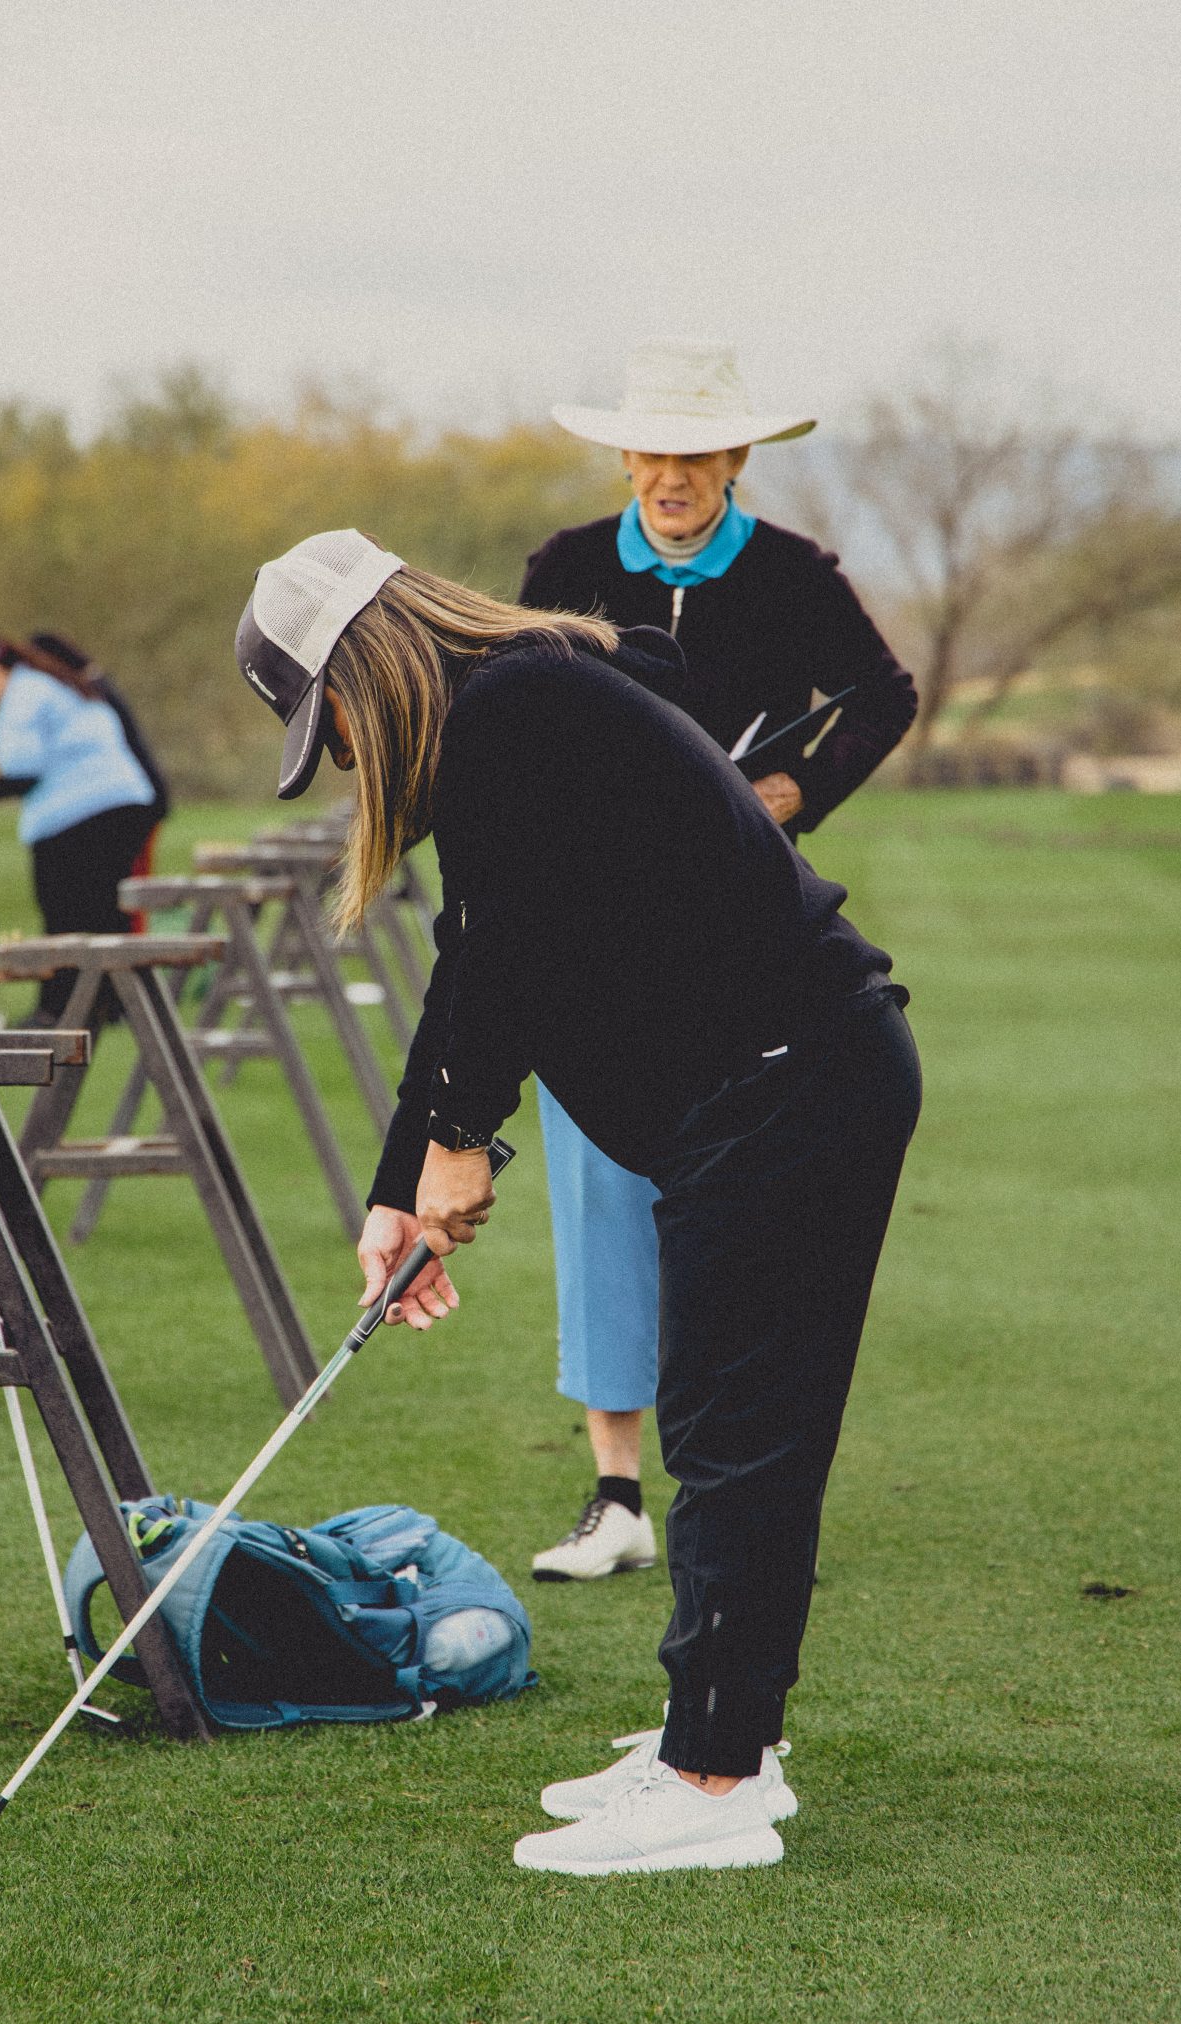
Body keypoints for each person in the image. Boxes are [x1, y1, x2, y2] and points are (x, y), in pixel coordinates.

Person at [234, 529, 921, 1876]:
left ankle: (714, 1777)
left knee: (735, 1435)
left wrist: (459, 1141)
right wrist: (401, 1184)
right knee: (723, 1421)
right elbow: (476, 956)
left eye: (334, 730)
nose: (347, 761)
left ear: (369, 662)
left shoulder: (518, 711)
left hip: (787, 1085)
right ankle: (719, 1738)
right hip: (767, 1091)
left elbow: (518, 951)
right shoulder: (521, 706)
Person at [518, 339, 918, 1583]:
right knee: (596, 1194)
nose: (669, 475)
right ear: (624, 454)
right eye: (651, 450)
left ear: (735, 458)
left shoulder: (797, 576)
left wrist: (803, 787)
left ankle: (725, 1479)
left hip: (746, 928)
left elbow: (884, 693)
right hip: (598, 927)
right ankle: (616, 1492)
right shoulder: (568, 569)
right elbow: (520, 703)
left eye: (694, 453)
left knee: (736, 1188)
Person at [0, 633, 157, 1021]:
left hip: (79, 811)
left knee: (62, 914)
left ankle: (56, 1010)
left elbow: (25, 771)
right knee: (104, 914)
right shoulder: (57, 682)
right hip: (125, 801)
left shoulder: (24, 694)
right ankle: (110, 1004)